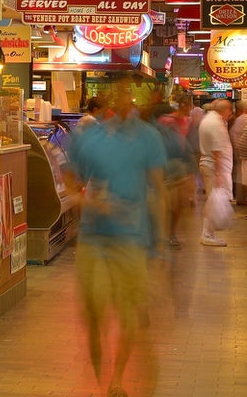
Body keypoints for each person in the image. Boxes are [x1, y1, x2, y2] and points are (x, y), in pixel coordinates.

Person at [65, 84, 167, 397]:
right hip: (94, 238)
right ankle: (98, 353)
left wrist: (161, 245)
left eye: (132, 93)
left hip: (131, 238)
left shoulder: (149, 137)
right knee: (94, 311)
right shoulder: (89, 137)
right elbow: (71, 188)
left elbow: (159, 189)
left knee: (129, 312)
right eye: (120, 93)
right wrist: (93, 203)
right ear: (108, 97)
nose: (126, 99)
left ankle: (117, 381)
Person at [158, 93, 198, 248]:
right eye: (188, 106)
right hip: (167, 167)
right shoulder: (167, 121)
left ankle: (171, 234)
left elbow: (188, 144)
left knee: (179, 205)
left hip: (181, 167)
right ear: (183, 106)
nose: (189, 109)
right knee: (170, 204)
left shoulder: (188, 121)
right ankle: (167, 235)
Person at [198, 98, 234, 247]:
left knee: (212, 199)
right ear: (225, 110)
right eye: (230, 111)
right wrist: (219, 174)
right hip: (213, 167)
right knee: (212, 200)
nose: (230, 115)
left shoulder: (209, 119)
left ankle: (209, 233)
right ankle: (207, 234)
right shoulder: (215, 123)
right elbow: (217, 150)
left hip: (210, 165)